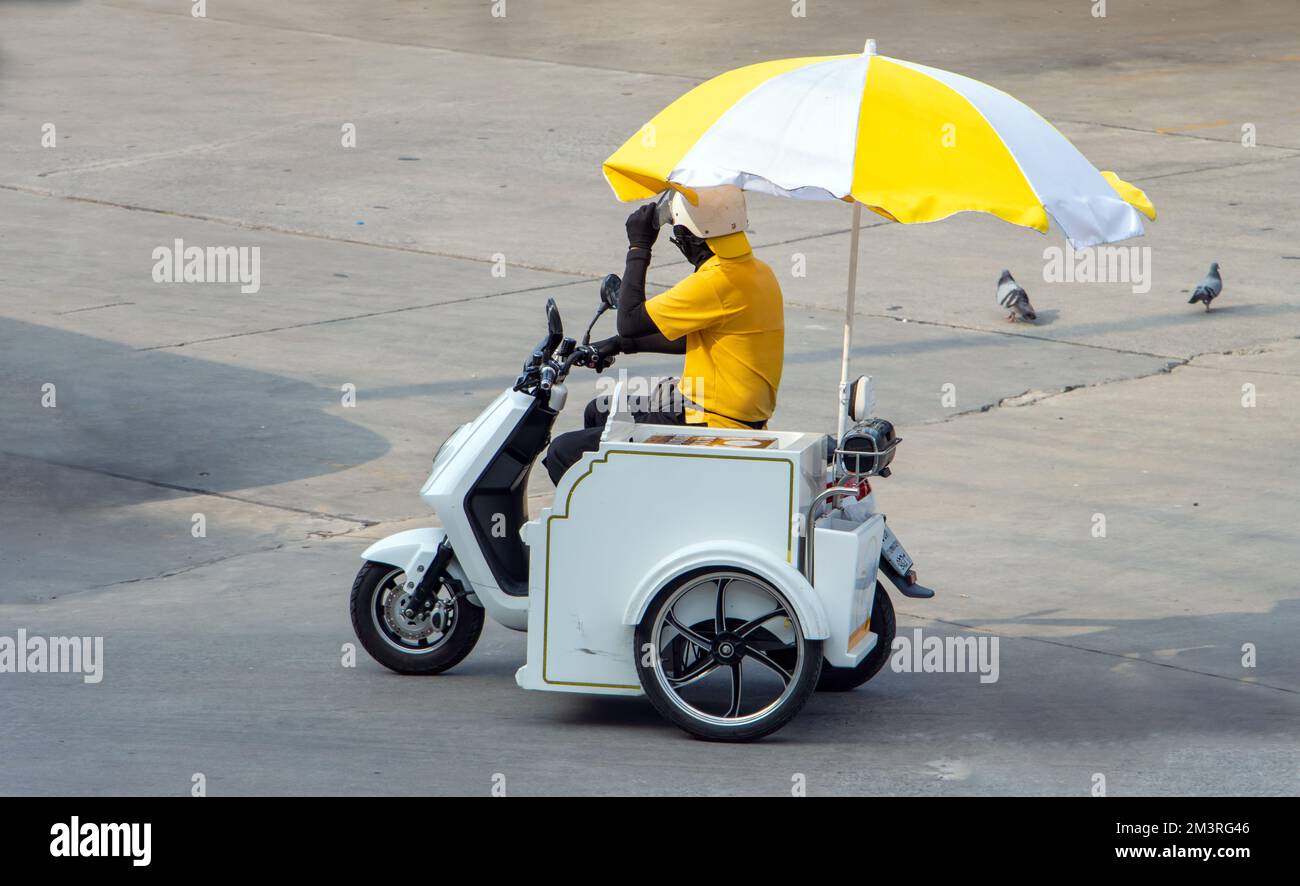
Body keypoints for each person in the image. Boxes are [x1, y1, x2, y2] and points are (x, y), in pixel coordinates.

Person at [543, 185, 785, 484]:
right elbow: (694, 338)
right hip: (726, 414)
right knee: (598, 411)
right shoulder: (757, 271)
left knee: (563, 452)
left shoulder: (717, 279)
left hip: (706, 422)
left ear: (687, 237)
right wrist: (620, 345)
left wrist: (639, 246)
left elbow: (630, 320)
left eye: (678, 238)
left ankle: (609, 520)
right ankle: (619, 497)